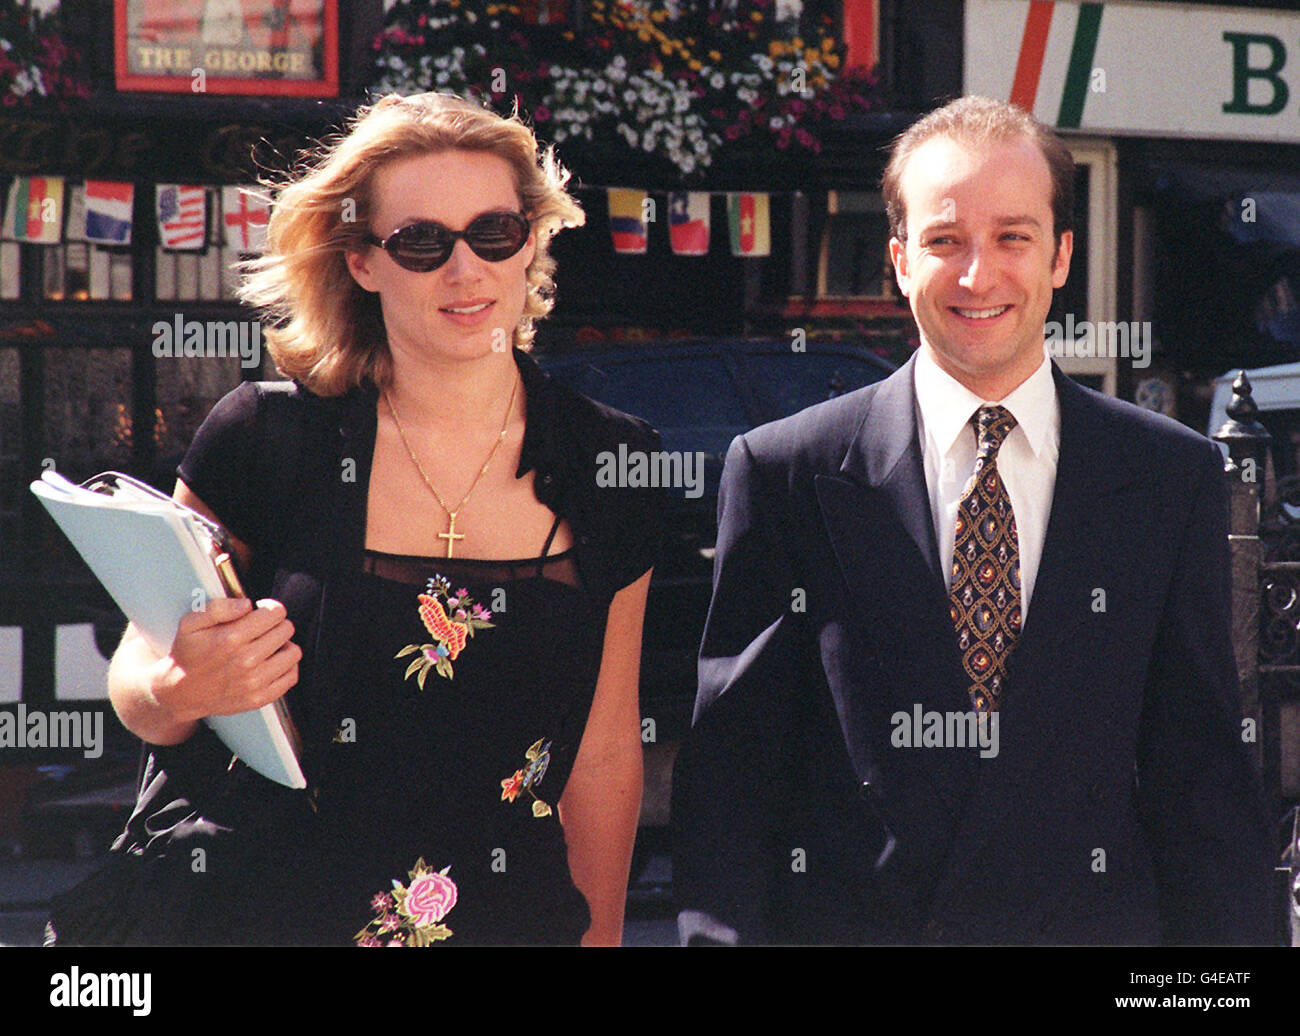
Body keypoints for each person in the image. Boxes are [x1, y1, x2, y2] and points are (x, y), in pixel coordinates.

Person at [671, 95, 1275, 945]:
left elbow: (1201, 784)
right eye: (944, 240)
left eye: (1012, 238)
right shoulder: (787, 474)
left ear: (1062, 255)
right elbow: (731, 789)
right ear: (898, 260)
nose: (977, 275)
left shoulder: (1167, 475)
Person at [71, 93, 659, 946]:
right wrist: (182, 687)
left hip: (508, 921)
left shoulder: (612, 463)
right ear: (362, 262)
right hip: (255, 916)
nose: (466, 271)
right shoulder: (263, 438)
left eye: (493, 232)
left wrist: (600, 939)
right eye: (422, 243)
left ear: (531, 239)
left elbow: (604, 753)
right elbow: (138, 685)